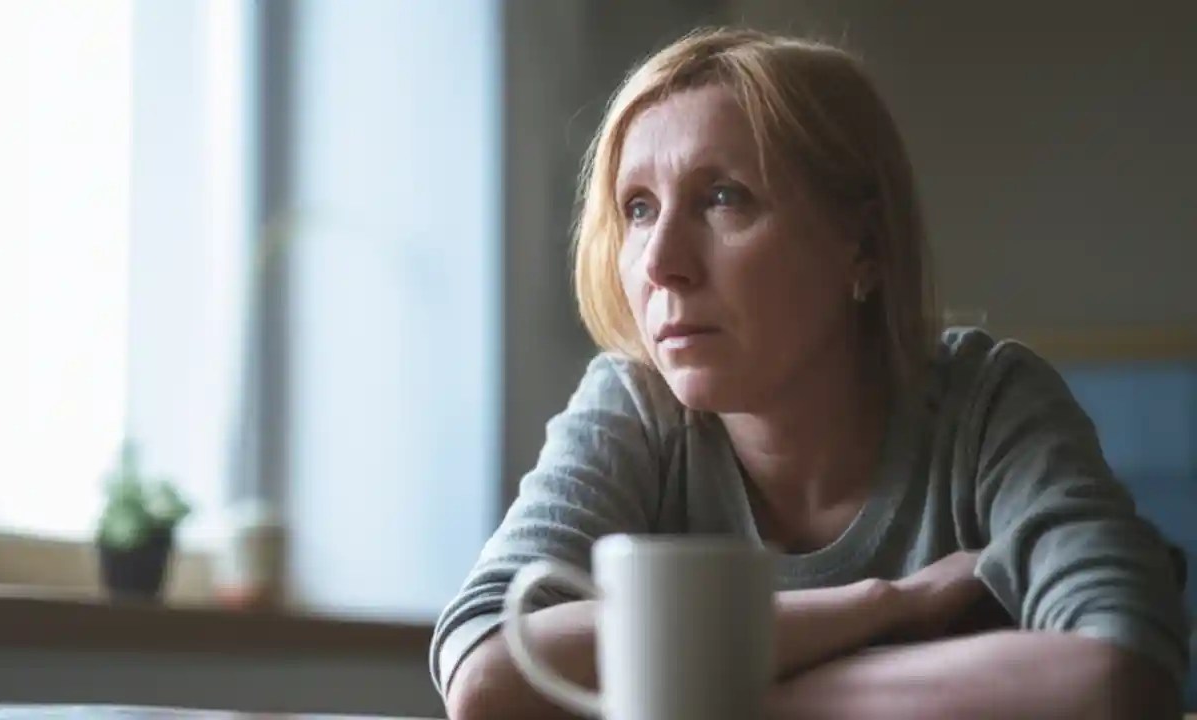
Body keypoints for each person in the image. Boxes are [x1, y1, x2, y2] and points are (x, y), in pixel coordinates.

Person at [431, 27, 1188, 719]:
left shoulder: (985, 403)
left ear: (861, 246)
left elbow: (1120, 671)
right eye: (636, 209)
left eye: (723, 198)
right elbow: (486, 670)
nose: (660, 263)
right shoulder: (637, 407)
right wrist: (889, 605)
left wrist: (716, 694)